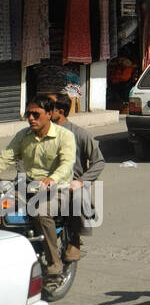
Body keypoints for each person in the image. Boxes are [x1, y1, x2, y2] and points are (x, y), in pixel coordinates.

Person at [0, 96, 76, 289]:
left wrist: (53, 178)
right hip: (27, 188)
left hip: (58, 190)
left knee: (41, 212)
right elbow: (6, 157)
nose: (31, 118)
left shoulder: (64, 136)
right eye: (29, 114)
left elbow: (67, 164)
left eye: (36, 114)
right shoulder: (23, 136)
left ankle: (54, 267)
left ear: (50, 114)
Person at [48, 93, 105, 261]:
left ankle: (74, 239)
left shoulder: (80, 134)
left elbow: (99, 162)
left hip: (70, 186)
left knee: (77, 198)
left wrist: (80, 182)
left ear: (60, 111)